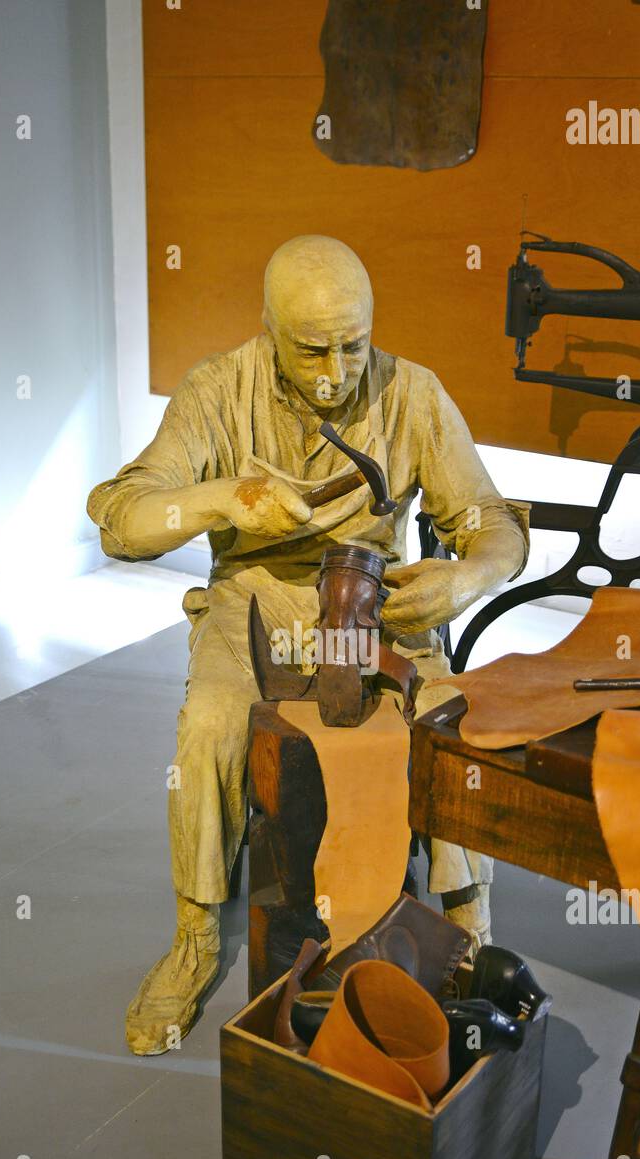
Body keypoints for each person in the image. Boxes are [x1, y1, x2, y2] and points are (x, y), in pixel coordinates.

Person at [87, 235, 528, 1055]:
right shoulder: (219, 390)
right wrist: (226, 498)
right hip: (254, 599)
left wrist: (464, 581)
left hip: (374, 606)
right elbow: (121, 519)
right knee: (211, 728)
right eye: (311, 348)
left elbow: (494, 524)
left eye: (352, 345)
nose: (334, 371)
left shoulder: (412, 393)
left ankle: (468, 924)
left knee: (448, 721)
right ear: (267, 327)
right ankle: (193, 937)